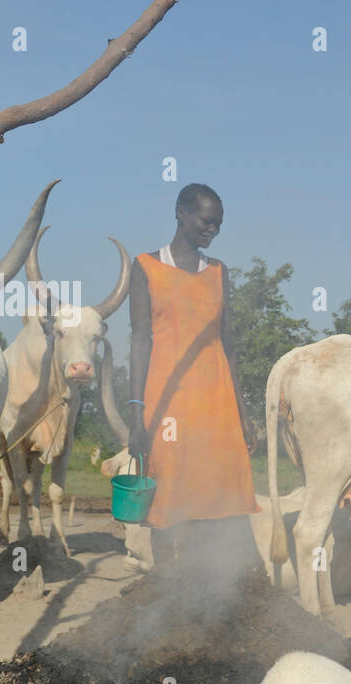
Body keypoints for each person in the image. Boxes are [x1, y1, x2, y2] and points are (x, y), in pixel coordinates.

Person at [127, 183, 259, 569]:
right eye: (206, 221)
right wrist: (137, 413)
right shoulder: (146, 267)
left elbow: (228, 344)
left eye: (218, 224)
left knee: (220, 497)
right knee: (166, 499)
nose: (212, 230)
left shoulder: (218, 272)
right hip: (167, 405)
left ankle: (215, 591)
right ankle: (167, 594)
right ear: (181, 212)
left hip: (217, 406)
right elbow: (139, 341)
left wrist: (243, 412)